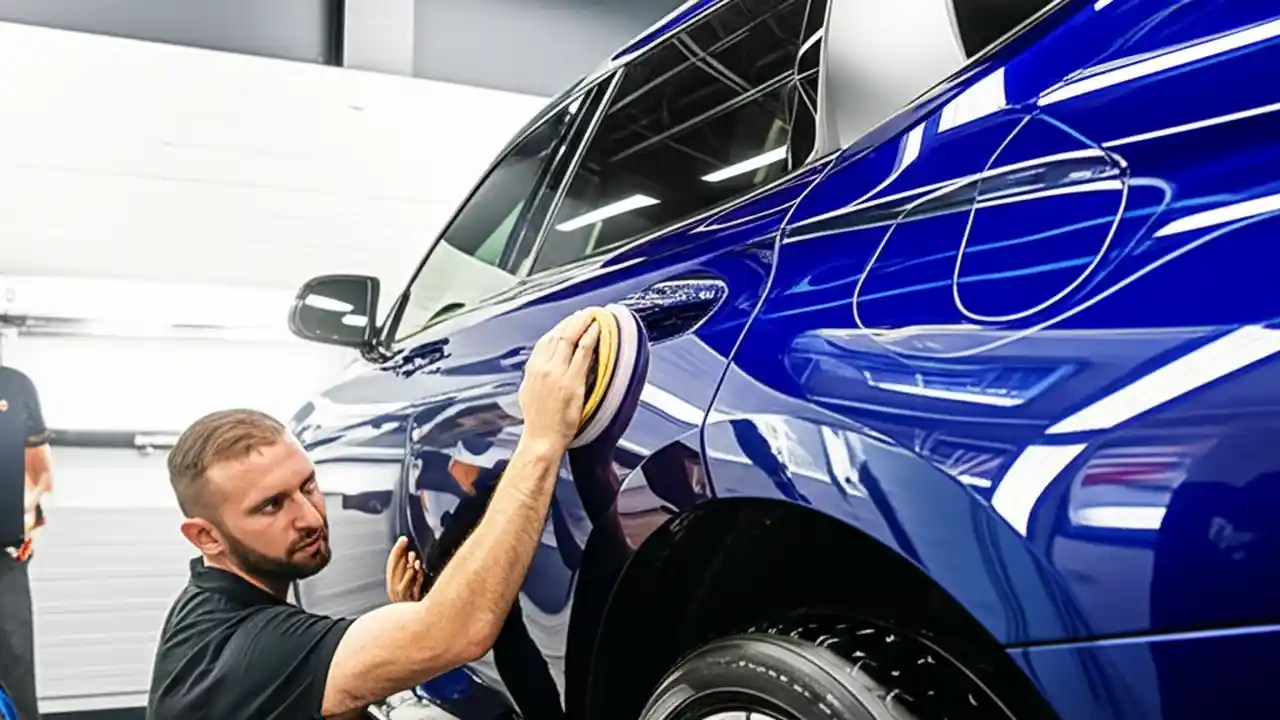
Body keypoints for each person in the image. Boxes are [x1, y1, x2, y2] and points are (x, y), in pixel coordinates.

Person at [146, 309, 602, 720]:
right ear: (206, 537)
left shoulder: (215, 609)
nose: (308, 517)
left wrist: (405, 632)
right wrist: (542, 439)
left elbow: (328, 704)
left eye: (307, 485)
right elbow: (460, 633)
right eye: (270, 505)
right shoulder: (241, 652)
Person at [0, 366, 53, 720]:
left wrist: (27, 515)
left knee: (14, 664)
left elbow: (41, 471)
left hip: (3, 559)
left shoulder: (13, 385)